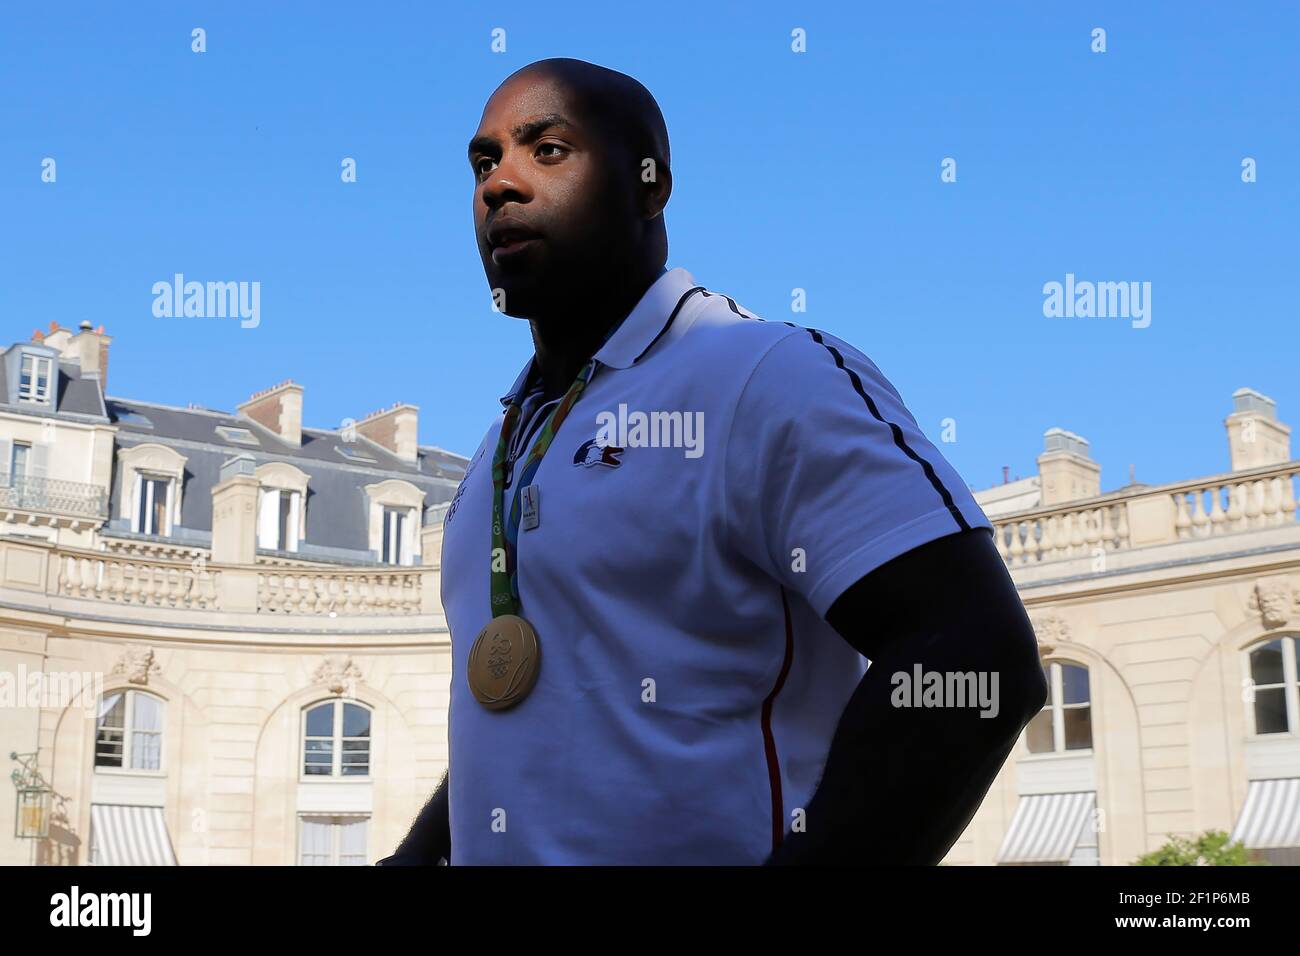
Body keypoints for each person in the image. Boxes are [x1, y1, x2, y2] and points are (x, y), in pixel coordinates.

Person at [378, 57, 1046, 866]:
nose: (499, 184)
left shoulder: (764, 373)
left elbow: (975, 654)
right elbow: (538, 719)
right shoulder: (501, 445)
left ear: (650, 186)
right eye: (485, 161)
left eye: (546, 149)